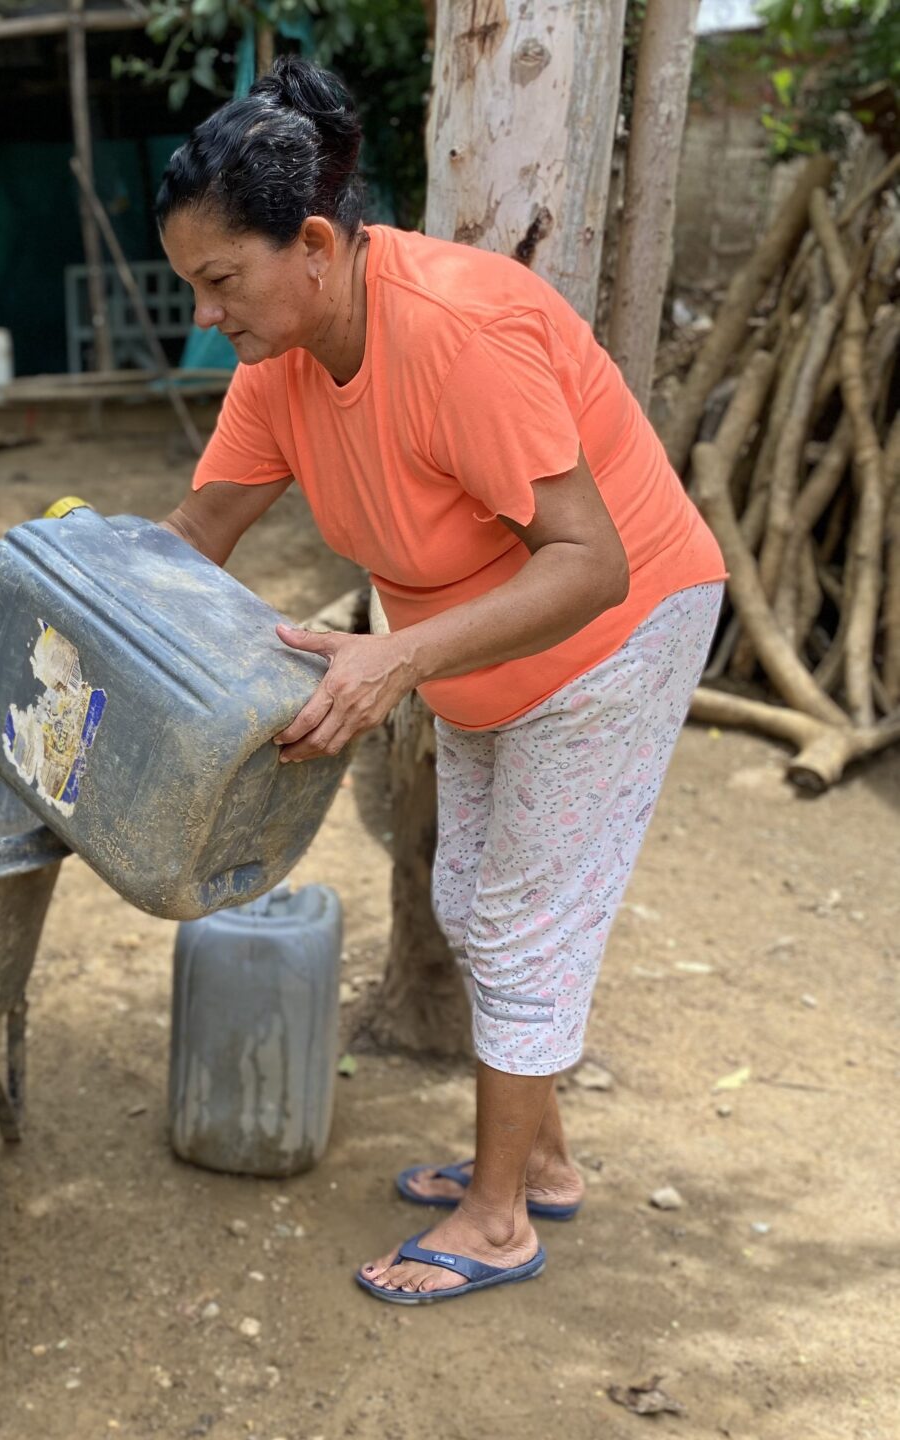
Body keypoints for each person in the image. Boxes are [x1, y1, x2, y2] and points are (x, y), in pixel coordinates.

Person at [156, 56, 726, 1305]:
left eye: (221, 280)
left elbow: (590, 563)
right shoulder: (279, 366)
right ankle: (542, 1160)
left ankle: (498, 1216)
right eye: (192, 284)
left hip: (616, 627)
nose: (205, 313)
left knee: (520, 922)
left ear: (314, 245)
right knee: (468, 903)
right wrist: (89, 621)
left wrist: (397, 656)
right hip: (477, 646)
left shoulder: (457, 334)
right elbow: (199, 533)